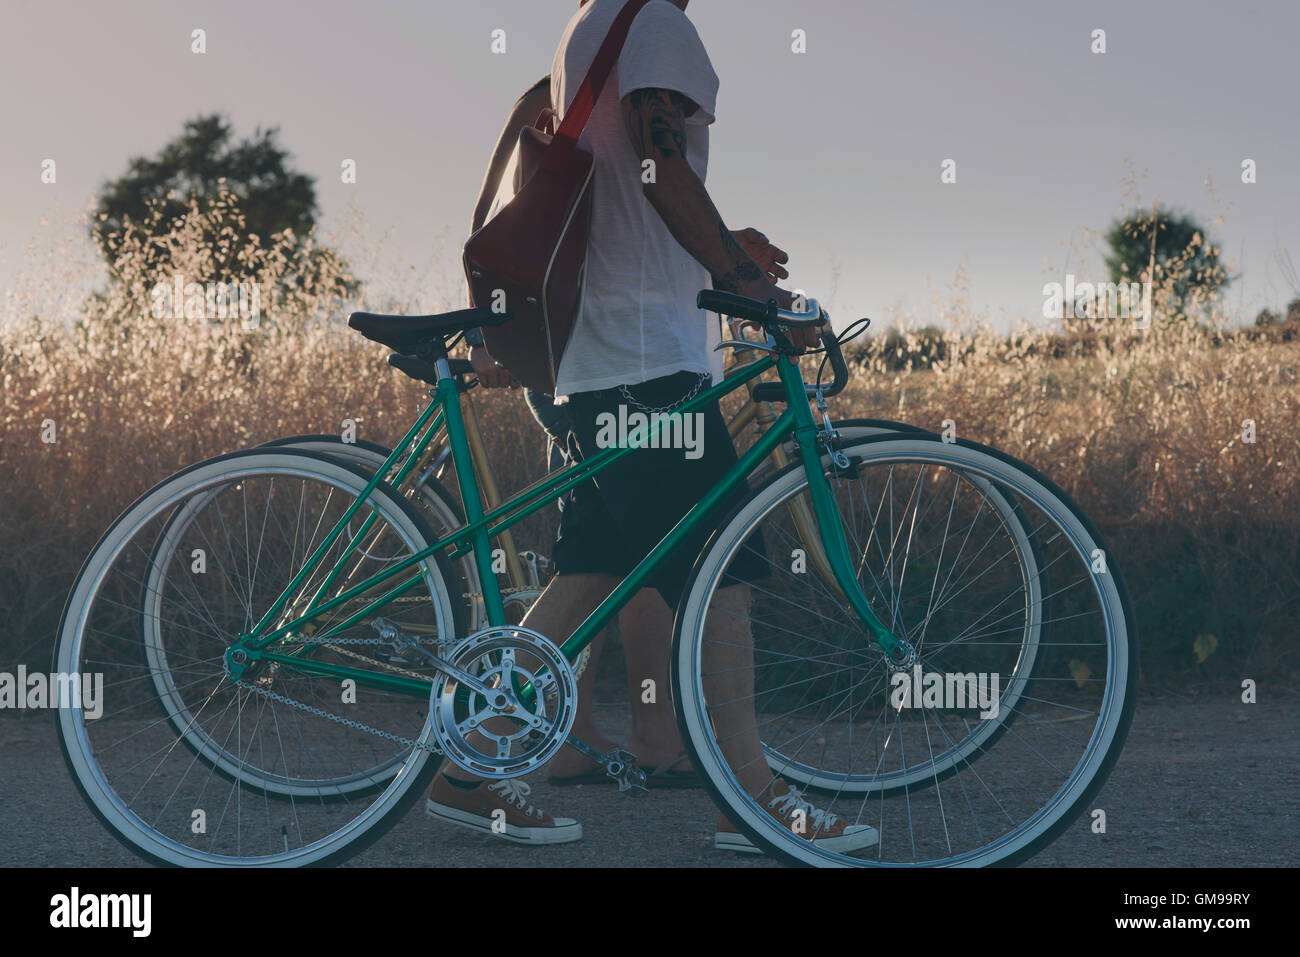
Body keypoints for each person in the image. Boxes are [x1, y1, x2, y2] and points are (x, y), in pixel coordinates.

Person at [427, 0, 878, 856]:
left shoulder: (594, 25)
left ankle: (471, 764)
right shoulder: (654, 25)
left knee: (593, 571)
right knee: (723, 569)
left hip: (602, 354)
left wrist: (709, 244)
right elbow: (659, 166)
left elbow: (628, 184)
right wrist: (748, 282)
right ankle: (751, 799)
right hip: (642, 363)